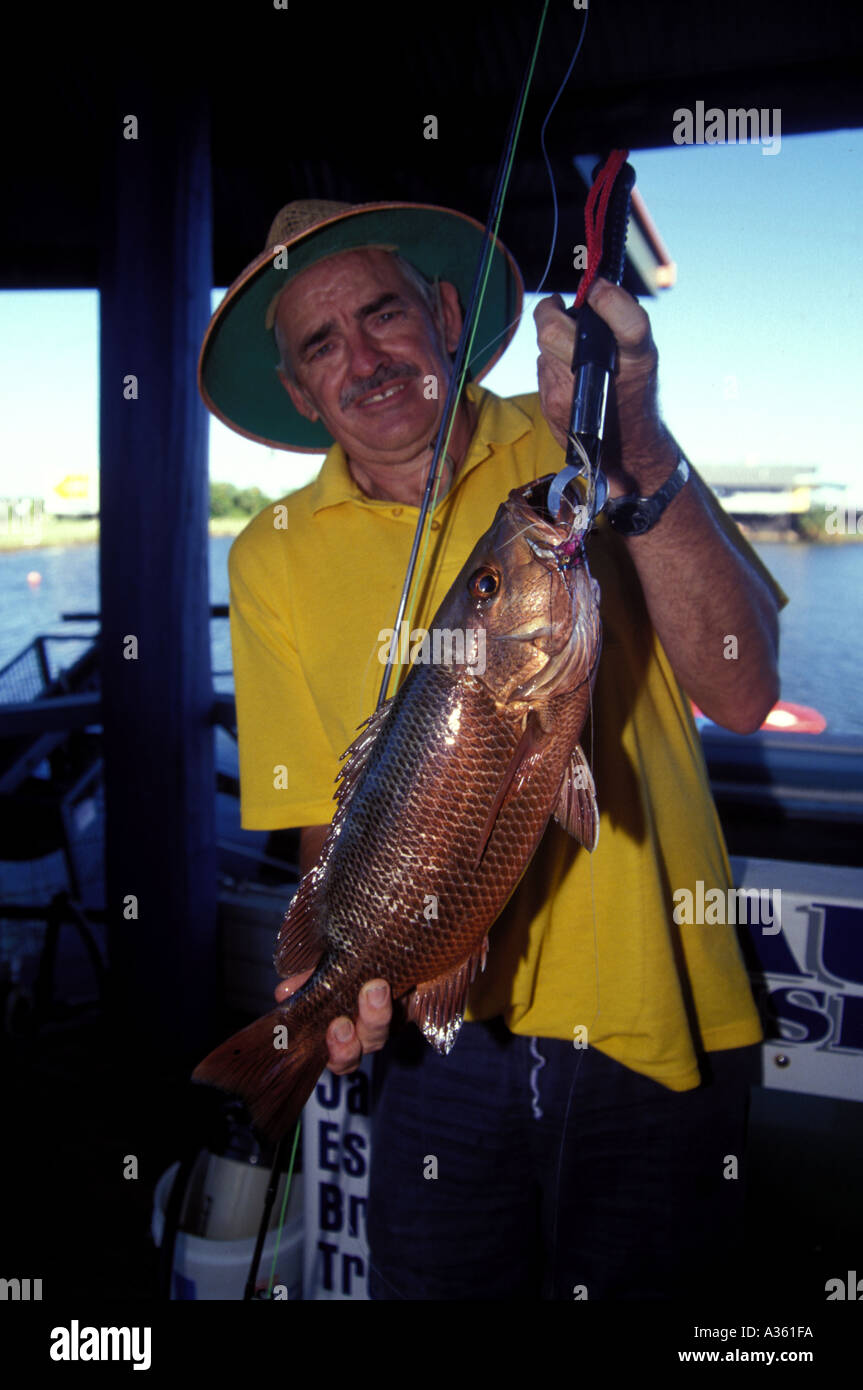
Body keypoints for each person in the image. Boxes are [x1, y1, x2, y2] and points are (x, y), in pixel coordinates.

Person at [198, 198, 785, 1300]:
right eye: (321, 343)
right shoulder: (266, 558)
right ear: (295, 390)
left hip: (653, 1013)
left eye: (381, 313)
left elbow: (745, 690)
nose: (364, 358)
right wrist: (324, 971)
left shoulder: (572, 441)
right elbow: (339, 812)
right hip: (434, 1048)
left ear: (446, 310)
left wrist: (635, 448)